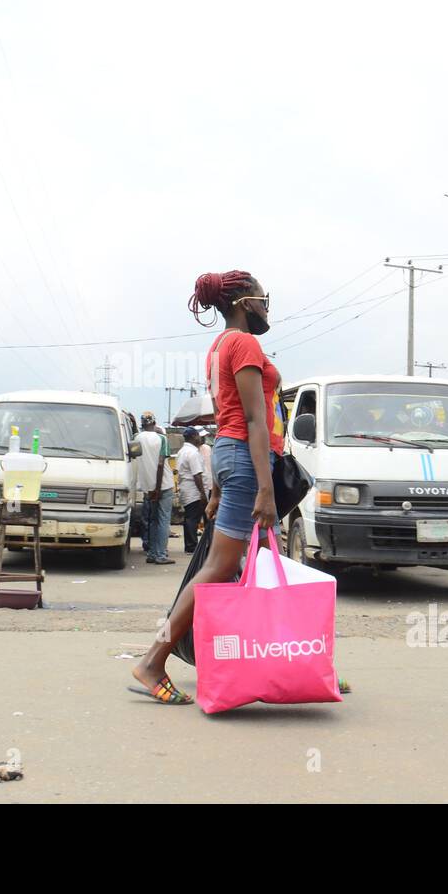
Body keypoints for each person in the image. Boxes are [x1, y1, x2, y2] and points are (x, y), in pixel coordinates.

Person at [129, 270, 280, 704]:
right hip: (249, 462)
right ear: (242, 303)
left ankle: (294, 661)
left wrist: (217, 489)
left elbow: (226, 415)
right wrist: (264, 491)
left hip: (236, 458)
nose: (266, 306)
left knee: (266, 569)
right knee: (218, 569)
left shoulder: (219, 346)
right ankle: (152, 659)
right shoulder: (244, 343)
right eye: (262, 297)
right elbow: (251, 419)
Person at [133, 411, 175, 565]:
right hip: (163, 485)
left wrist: (151, 488)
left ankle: (151, 553)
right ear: (154, 423)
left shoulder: (136, 439)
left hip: (147, 487)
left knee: (152, 520)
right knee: (163, 521)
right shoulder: (161, 438)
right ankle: (161, 555)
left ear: (142, 424)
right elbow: (160, 464)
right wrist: (158, 488)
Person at [176, 427, 208, 553]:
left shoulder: (183, 451)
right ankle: (191, 546)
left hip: (187, 488)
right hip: (193, 490)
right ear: (194, 436)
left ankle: (190, 545)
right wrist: (202, 493)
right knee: (193, 518)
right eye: (198, 436)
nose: (200, 438)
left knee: (190, 517)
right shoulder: (193, 453)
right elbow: (197, 475)